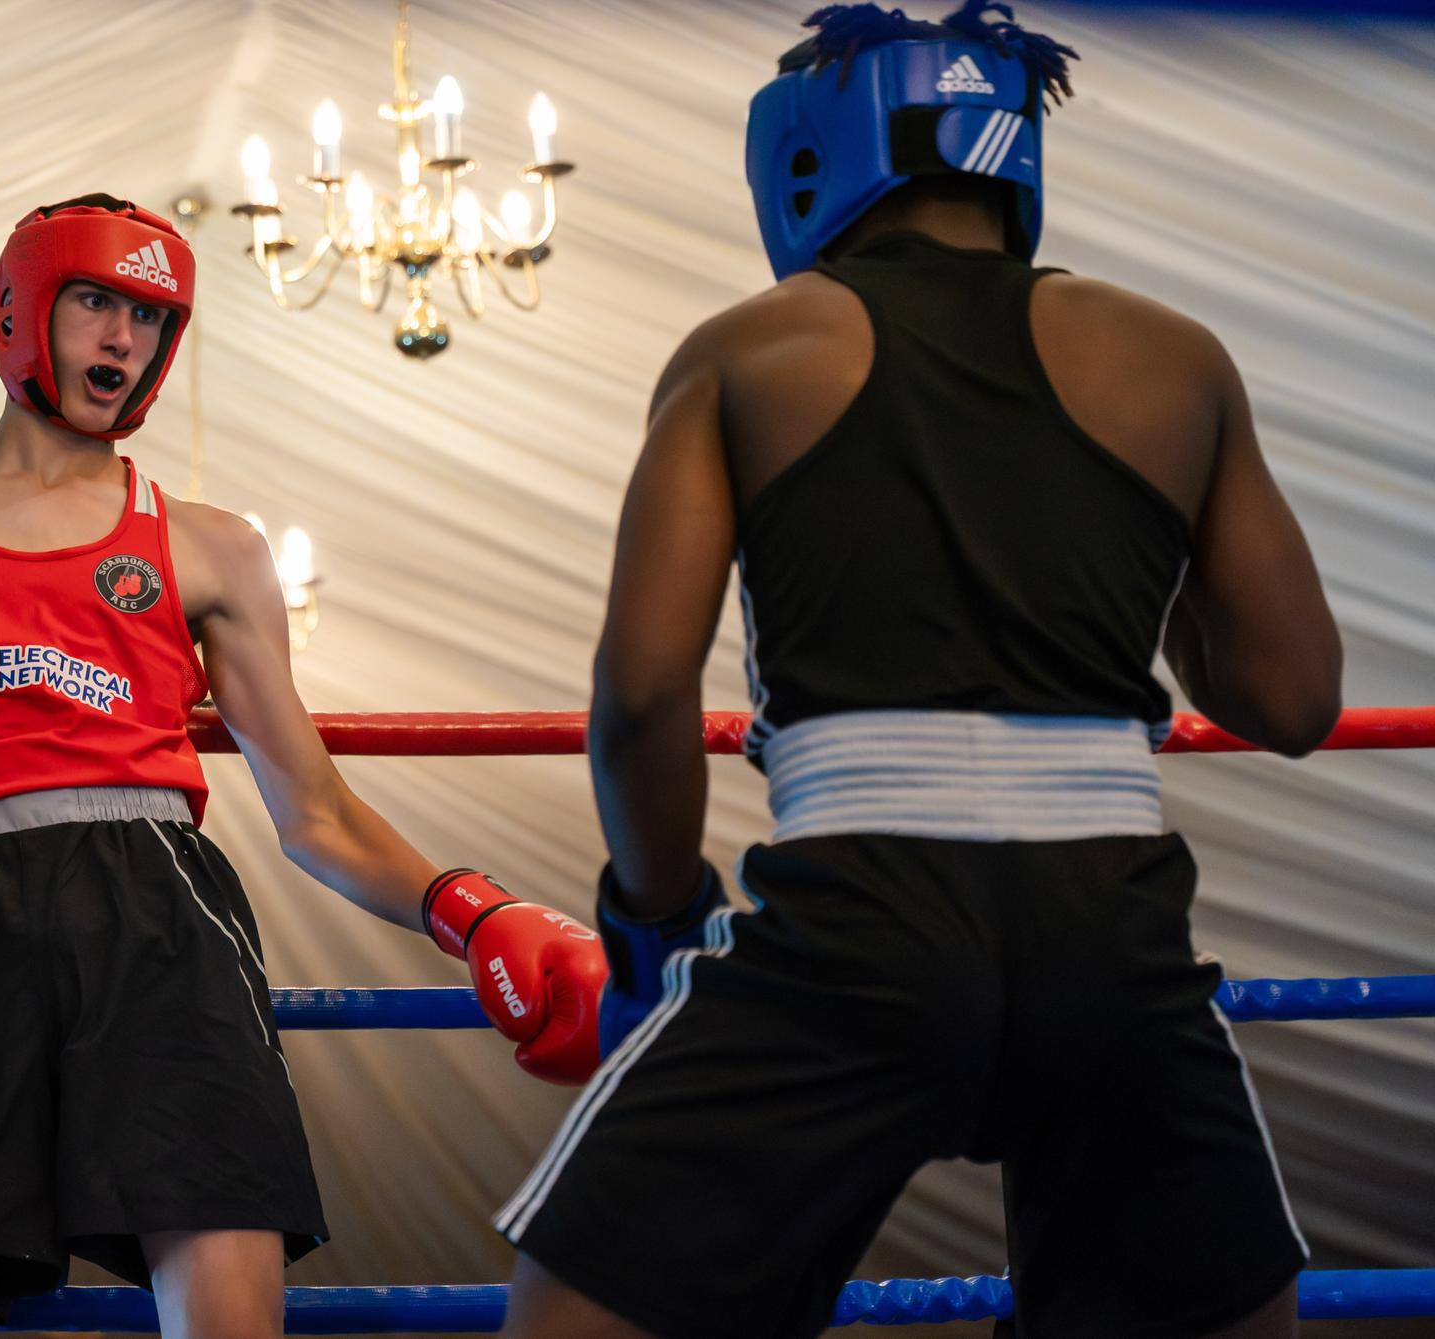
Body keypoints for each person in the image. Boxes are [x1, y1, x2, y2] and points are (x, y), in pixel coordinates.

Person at [492, 4, 1340, 1337]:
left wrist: (655, 921)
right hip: (1110, 932)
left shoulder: (750, 349)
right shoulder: (1174, 358)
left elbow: (646, 692)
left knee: (571, 1312)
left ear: (807, 155)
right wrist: (1124, 549)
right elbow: (1294, 699)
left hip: (855, 920)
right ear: (1013, 155)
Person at [0, 193, 607, 1339]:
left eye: (148, 317)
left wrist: (469, 912)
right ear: (24, 311)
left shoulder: (211, 543)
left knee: (229, 1321)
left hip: (158, 913)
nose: (123, 340)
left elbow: (313, 809)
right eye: (95, 303)